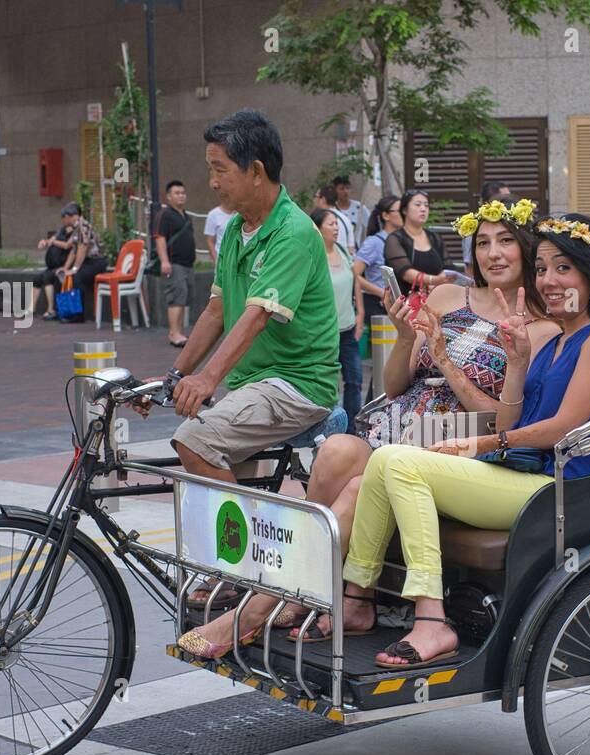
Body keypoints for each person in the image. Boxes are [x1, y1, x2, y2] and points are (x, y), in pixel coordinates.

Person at [176, 198, 550, 659]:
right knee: (334, 449)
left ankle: (264, 606)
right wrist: (409, 339)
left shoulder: (541, 326)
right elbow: (394, 386)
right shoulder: (448, 295)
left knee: (357, 485)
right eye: (484, 243)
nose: (493, 253)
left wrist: (447, 361)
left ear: (527, 249)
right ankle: (306, 590)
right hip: (398, 422)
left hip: (458, 441)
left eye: (506, 242)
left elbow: (502, 421)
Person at [338, 213, 590, 669]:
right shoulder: (555, 339)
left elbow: (562, 427)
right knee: (386, 460)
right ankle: (354, 597)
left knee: (400, 461)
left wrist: (481, 445)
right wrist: (516, 364)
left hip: (560, 487)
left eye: (563, 268)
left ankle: (431, 619)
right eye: (541, 269)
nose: (549, 281)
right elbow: (511, 415)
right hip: (524, 472)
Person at [168, 109, 340, 654]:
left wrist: (207, 379)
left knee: (195, 440)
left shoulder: (291, 231)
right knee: (208, 457)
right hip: (253, 383)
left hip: (297, 384)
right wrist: (175, 376)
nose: (212, 181)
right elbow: (217, 311)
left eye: (220, 169)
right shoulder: (239, 232)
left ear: (256, 169)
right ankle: (235, 564)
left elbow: (257, 316)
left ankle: (258, 574)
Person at [311, 208, 366, 424]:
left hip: (348, 328)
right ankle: (328, 429)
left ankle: (352, 428)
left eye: (337, 224)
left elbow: (356, 282)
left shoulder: (343, 251)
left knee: (355, 380)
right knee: (328, 385)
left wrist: (360, 313)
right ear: (317, 227)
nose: (335, 228)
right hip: (324, 332)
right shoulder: (313, 256)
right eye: (330, 224)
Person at [384, 189, 456, 294]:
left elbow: (449, 267)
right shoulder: (394, 239)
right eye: (418, 205)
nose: (423, 209)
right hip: (407, 304)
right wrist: (434, 280)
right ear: (404, 210)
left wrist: (439, 282)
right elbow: (407, 274)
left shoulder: (434, 237)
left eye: (426, 205)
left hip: (437, 301)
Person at [154, 179, 196, 347]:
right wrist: (164, 261)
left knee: (184, 297)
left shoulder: (185, 216)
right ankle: (174, 333)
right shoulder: (165, 214)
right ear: (168, 196)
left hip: (188, 264)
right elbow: (160, 238)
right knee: (176, 297)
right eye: (177, 193)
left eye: (183, 193)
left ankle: (179, 331)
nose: (181, 196)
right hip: (174, 263)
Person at [56, 202, 108, 324]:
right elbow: (74, 251)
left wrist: (74, 269)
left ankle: (78, 315)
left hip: (97, 262)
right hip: (88, 261)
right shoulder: (76, 228)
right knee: (61, 276)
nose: (63, 221)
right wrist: (65, 268)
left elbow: (82, 250)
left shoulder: (83, 227)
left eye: (64, 218)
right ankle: (64, 311)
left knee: (77, 277)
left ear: (69, 216)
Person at [353, 193, 402, 321]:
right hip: (377, 305)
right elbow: (355, 274)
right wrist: (381, 293)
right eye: (399, 210)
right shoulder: (374, 242)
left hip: (399, 303)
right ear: (386, 216)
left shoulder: (404, 240)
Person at [463, 180, 511, 273]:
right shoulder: (473, 228)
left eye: (506, 240)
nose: (493, 254)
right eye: (483, 243)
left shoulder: (516, 224)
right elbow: (470, 269)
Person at [32, 219, 73, 320]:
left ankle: (51, 310)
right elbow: (50, 241)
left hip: (63, 266)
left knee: (47, 277)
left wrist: (53, 242)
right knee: (37, 279)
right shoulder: (61, 230)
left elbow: (67, 245)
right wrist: (44, 242)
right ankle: (31, 309)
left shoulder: (75, 233)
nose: (65, 221)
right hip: (52, 266)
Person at [332, 174, 367, 251]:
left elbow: (369, 227)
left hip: (355, 252)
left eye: (348, 188)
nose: (346, 191)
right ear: (335, 190)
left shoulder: (360, 208)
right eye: (342, 189)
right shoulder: (332, 210)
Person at [203, 196, 235, 262]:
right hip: (221, 259)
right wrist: (216, 261)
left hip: (237, 258)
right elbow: (210, 241)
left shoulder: (239, 214)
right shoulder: (213, 214)